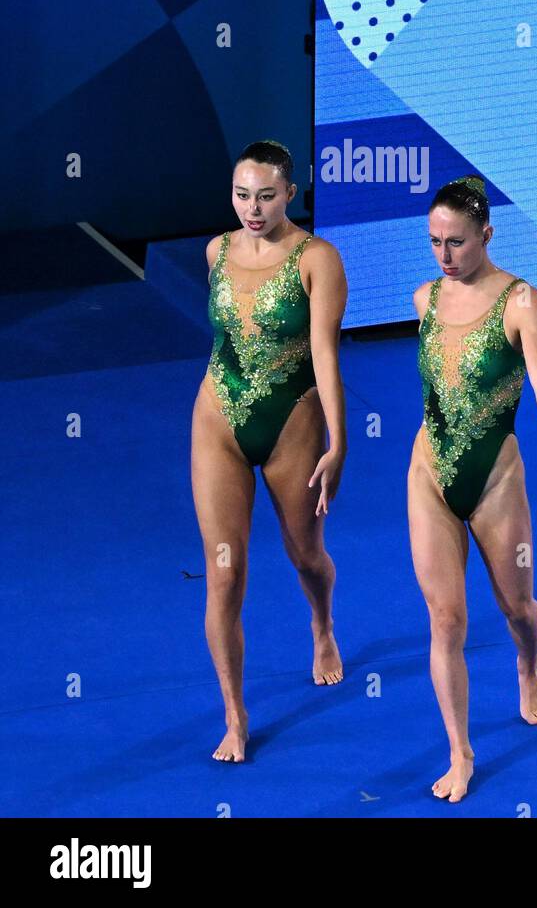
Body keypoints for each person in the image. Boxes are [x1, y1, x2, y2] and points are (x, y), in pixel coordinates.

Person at [408, 174, 537, 803]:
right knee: (446, 618)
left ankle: (528, 665)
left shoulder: (521, 302)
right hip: (428, 473)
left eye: (456, 242)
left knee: (517, 608)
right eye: (434, 242)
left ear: (487, 234)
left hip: (497, 480)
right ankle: (461, 750)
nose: (445, 256)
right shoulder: (424, 300)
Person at [191, 139, 348, 763]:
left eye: (265, 196)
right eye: (241, 196)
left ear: (290, 192)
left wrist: (337, 441)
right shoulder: (216, 251)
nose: (251, 209)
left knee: (306, 555)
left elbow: (325, 357)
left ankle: (323, 623)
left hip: (292, 422)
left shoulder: (318, 259)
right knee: (224, 574)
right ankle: (235, 713)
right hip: (217, 419)